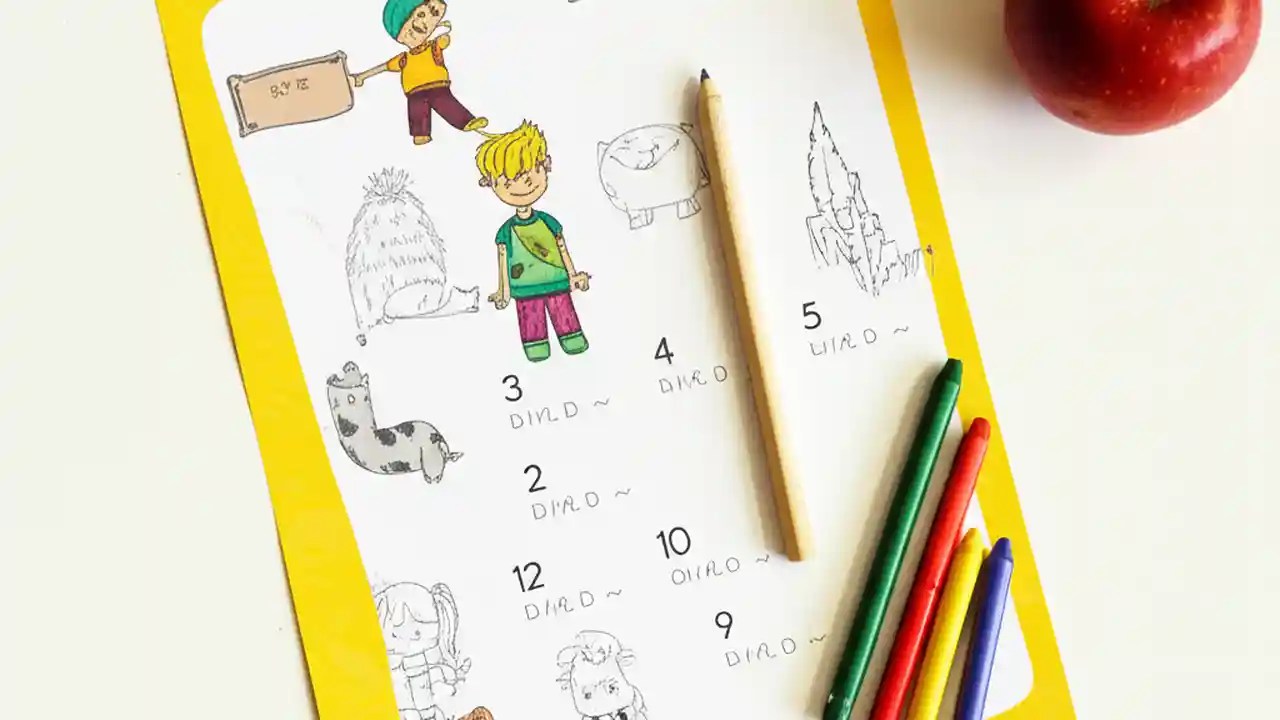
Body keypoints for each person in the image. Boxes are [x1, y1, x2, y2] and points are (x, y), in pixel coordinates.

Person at [477, 121, 591, 363]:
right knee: (531, 321)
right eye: (508, 182)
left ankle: (572, 340)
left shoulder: (549, 222)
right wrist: (504, 292)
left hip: (557, 281)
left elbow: (562, 247)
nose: (523, 185)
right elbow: (502, 261)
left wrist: (573, 275)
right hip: (524, 288)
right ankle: (536, 348)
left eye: (530, 175)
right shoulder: (505, 232)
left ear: (545, 167)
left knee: (564, 315)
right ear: (491, 184)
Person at [351, 0, 488, 146]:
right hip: (415, 92)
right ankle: (420, 134)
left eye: (433, 17)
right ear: (400, 36)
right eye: (421, 14)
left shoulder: (432, 46)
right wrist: (362, 76)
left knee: (447, 104)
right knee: (417, 112)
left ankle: (465, 121)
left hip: (438, 86)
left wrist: (443, 36)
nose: (424, 23)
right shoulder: (404, 59)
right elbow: (384, 67)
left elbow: (444, 41)